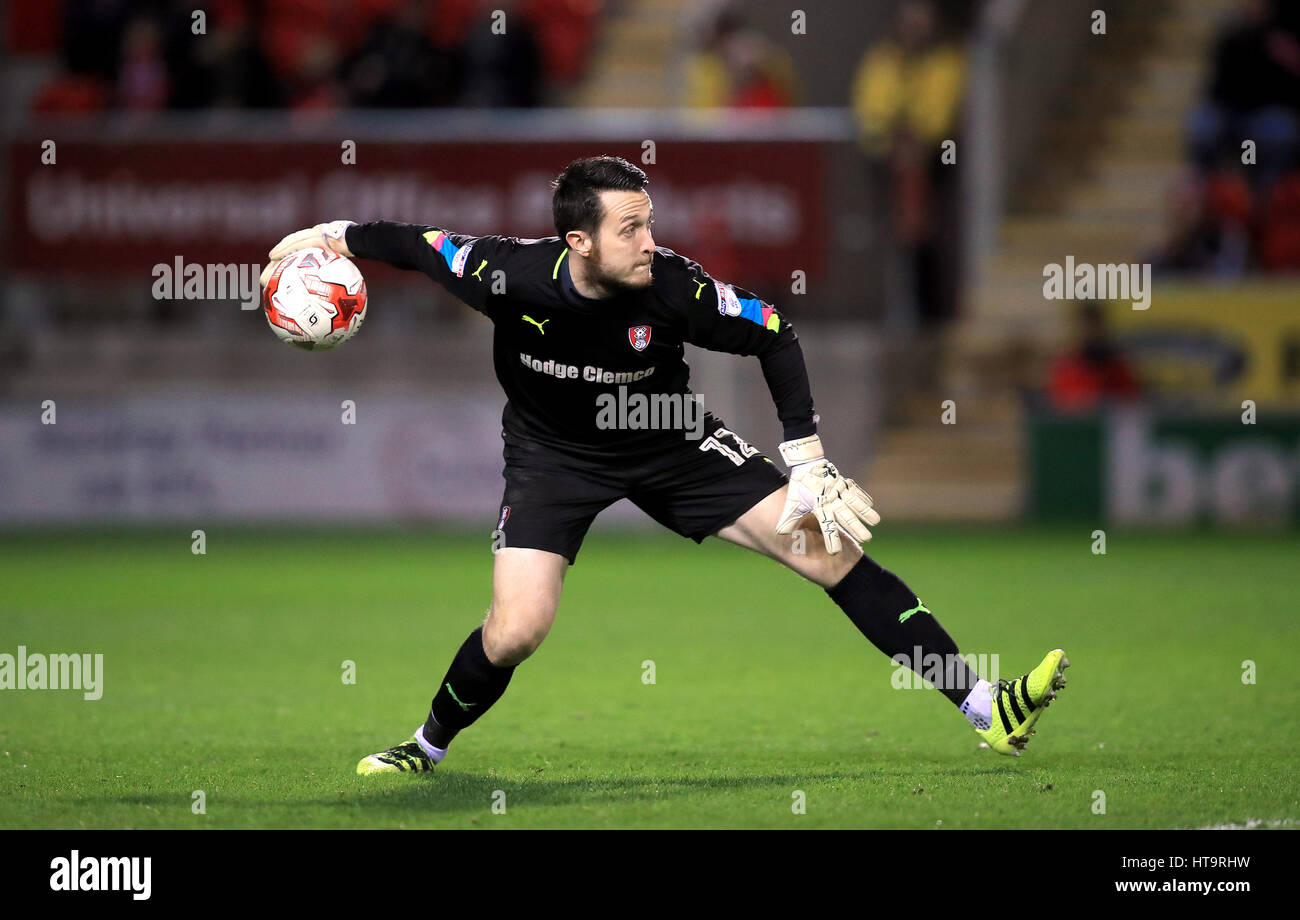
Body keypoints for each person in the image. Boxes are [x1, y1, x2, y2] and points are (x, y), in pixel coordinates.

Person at [261, 157, 1068, 773]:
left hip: (667, 437)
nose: (650, 242)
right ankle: (425, 748)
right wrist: (320, 237)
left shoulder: (673, 287)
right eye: (630, 231)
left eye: (649, 224)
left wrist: (808, 456)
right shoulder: (505, 274)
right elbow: (408, 244)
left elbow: (774, 332)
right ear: (578, 242)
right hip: (553, 457)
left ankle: (985, 706)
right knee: (516, 631)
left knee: (827, 549)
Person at [1046, 303, 1142, 412]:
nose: (1091, 333)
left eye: (1095, 327)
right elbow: (1060, 406)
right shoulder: (1066, 368)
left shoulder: (1118, 366)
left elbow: (1131, 402)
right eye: (1086, 327)